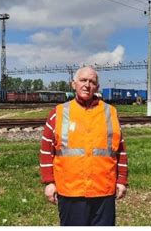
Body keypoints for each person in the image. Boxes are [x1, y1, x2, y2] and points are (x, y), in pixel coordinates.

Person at [40, 66, 128, 226]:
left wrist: (121, 180)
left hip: (104, 191)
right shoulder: (58, 113)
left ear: (97, 87)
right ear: (73, 84)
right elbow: (46, 150)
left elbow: (120, 150)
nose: (87, 85)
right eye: (83, 80)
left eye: (92, 81)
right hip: (70, 191)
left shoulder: (110, 112)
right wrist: (49, 182)